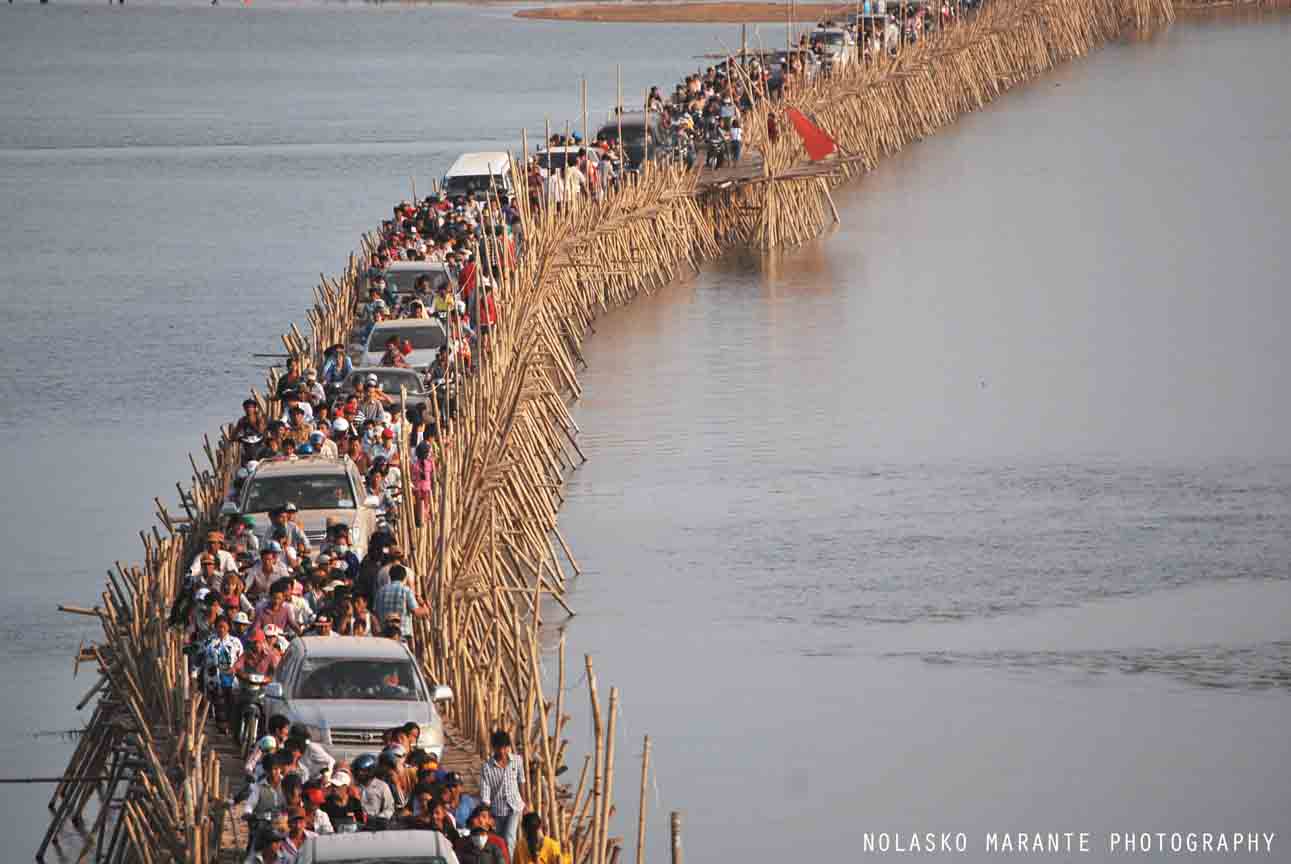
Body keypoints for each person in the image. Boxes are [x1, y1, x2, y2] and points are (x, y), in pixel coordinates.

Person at [480, 731, 524, 856]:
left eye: (505, 747)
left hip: (514, 807)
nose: (502, 751)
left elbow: (521, 781)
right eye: (499, 748)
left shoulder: (517, 760)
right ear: (494, 748)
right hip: (497, 810)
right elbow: (485, 791)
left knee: (509, 838)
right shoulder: (487, 767)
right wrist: (486, 813)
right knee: (498, 840)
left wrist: (525, 802)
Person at [374, 566, 428, 641]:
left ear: (390, 576)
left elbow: (375, 613)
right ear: (405, 577)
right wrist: (425, 607)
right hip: (401, 634)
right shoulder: (406, 590)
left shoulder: (380, 591)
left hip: (384, 634)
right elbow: (416, 612)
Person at [355, 754, 394, 830]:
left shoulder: (382, 786)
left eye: (363, 771)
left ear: (371, 770)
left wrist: (378, 819)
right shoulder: (355, 786)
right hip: (357, 824)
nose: (360, 773)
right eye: (358, 770)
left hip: (376, 825)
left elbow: (389, 808)